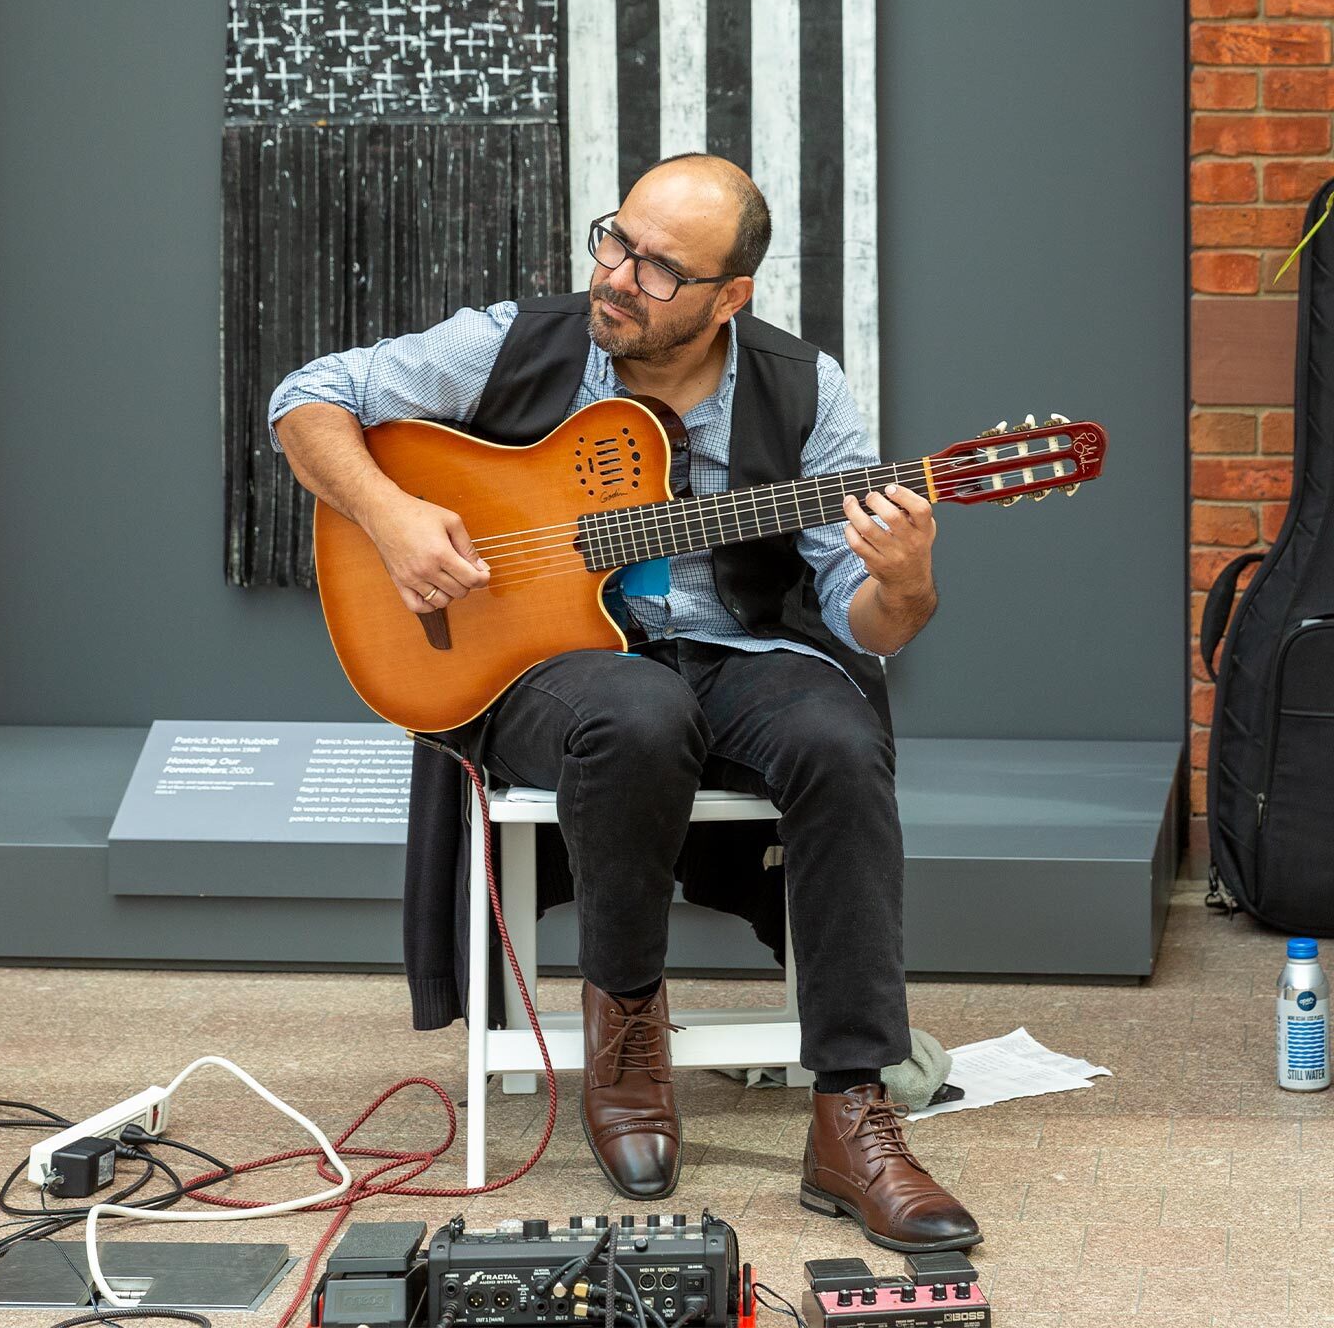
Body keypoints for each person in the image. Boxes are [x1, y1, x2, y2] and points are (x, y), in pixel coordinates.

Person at [269, 152, 981, 1253]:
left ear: (728, 296)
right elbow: (306, 397)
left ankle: (851, 1108)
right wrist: (393, 513)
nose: (617, 275)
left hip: (734, 647)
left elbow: (858, 615)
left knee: (839, 734)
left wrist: (908, 581)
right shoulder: (516, 337)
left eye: (658, 268)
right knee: (639, 712)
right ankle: (626, 1034)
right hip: (542, 667)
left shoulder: (803, 388)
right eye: (616, 240)